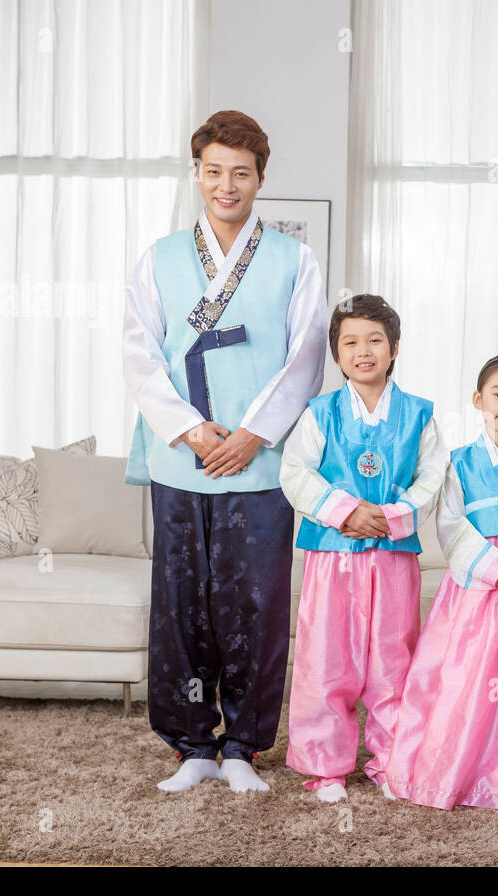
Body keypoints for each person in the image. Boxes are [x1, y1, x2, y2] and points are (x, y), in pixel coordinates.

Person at [122, 109, 327, 794]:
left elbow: (304, 358)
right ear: (198, 174)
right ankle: (191, 747)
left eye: (241, 173)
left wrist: (251, 434)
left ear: (261, 177)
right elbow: (138, 354)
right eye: (214, 171)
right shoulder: (160, 257)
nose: (227, 185)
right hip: (183, 456)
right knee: (181, 605)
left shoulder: (296, 260)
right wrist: (191, 429)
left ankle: (243, 745)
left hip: (259, 461)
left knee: (257, 605)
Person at [384, 353, 498, 810]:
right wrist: (489, 563)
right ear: (478, 400)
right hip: (479, 582)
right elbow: (449, 521)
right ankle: (456, 765)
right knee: (465, 671)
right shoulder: (459, 461)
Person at [279, 294, 448, 804]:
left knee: (392, 659)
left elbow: (432, 478)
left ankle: (391, 758)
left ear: (394, 348)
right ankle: (323, 765)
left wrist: (392, 517)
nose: (363, 351)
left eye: (375, 340)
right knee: (327, 657)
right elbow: (294, 472)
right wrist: (345, 511)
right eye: (350, 342)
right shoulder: (320, 412)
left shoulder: (420, 414)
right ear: (336, 354)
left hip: (393, 556)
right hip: (334, 554)